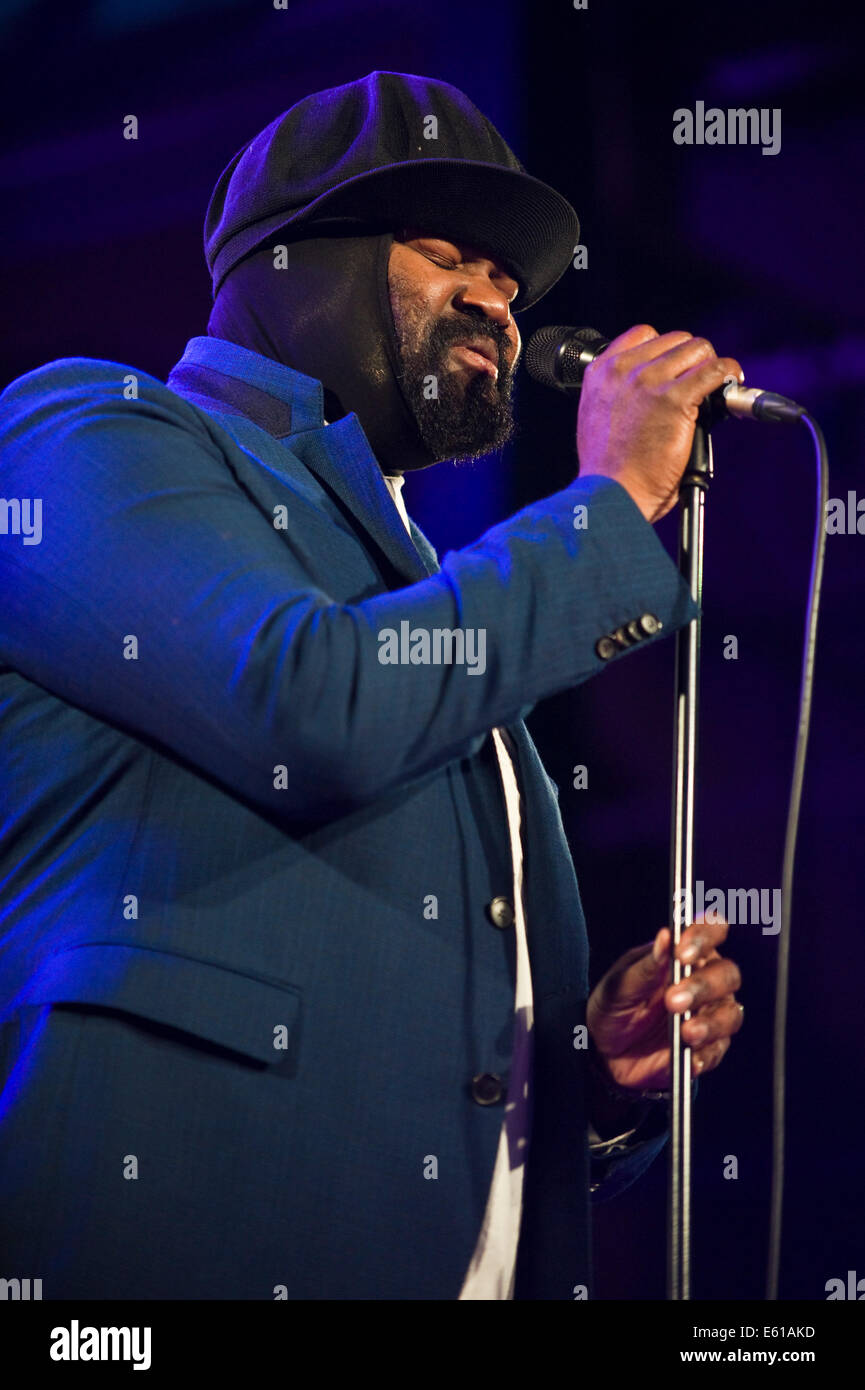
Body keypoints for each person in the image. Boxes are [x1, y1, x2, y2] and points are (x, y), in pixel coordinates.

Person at [0, 71, 743, 1301]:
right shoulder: (91, 432)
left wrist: (587, 1075)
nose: (496, 305)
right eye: (445, 253)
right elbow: (305, 702)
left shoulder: (430, 595)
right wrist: (607, 507)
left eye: (511, 281)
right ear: (297, 268)